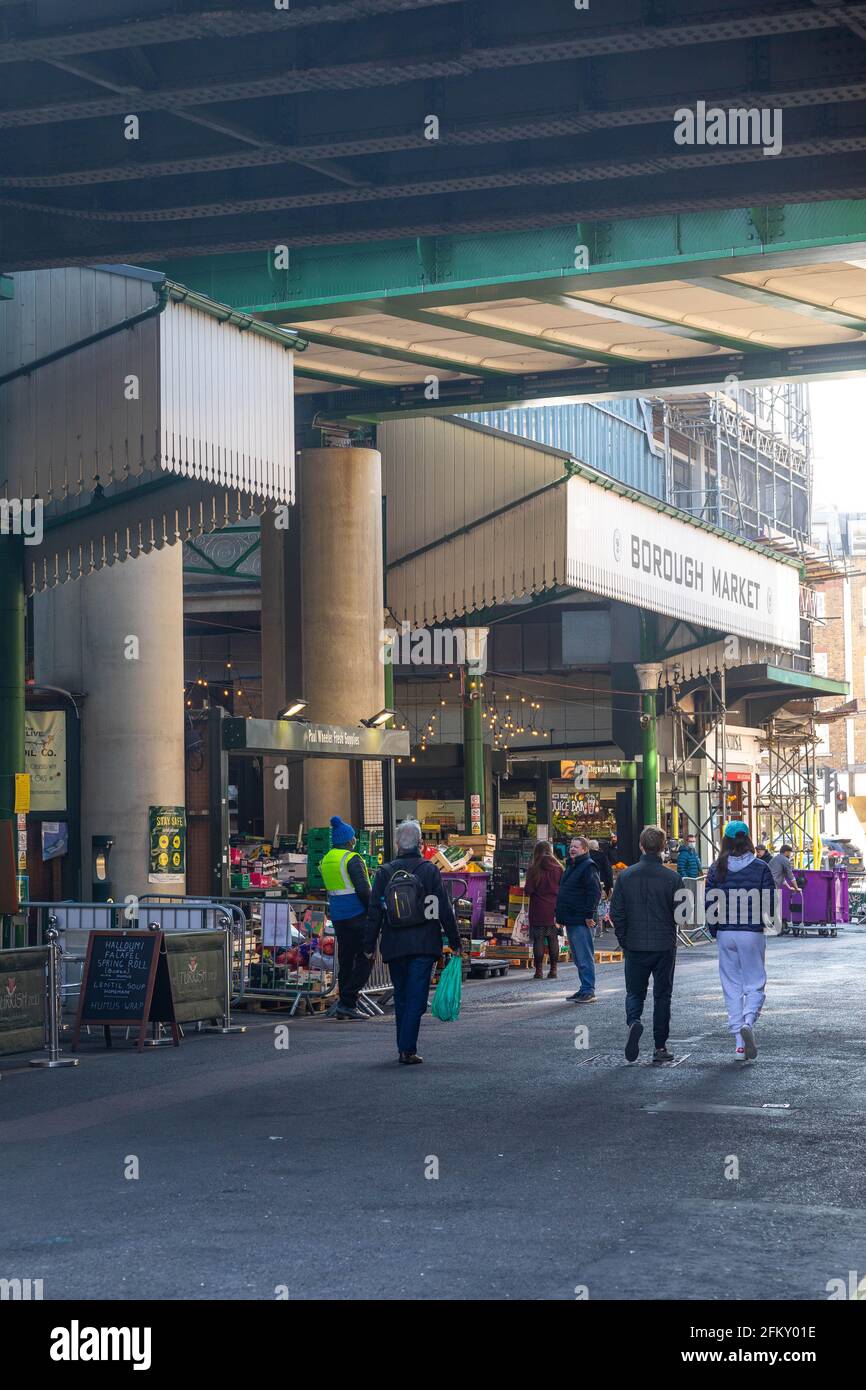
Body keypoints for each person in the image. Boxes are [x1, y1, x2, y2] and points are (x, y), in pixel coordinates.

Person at [364, 818, 461, 1065]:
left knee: (403, 995)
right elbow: (442, 908)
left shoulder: (385, 872)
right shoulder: (428, 870)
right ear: (420, 842)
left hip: (394, 944)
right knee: (416, 997)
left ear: (397, 844)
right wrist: (455, 939)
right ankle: (407, 1048)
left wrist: (368, 946)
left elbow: (375, 912)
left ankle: (404, 1047)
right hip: (424, 944)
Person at [610, 825, 681, 1064]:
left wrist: (624, 939)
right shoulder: (673, 878)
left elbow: (616, 912)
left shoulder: (626, 876)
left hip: (635, 944)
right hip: (664, 945)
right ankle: (660, 1046)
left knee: (634, 992)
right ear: (662, 848)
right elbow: (683, 914)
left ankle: (634, 1022)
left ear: (641, 845)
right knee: (663, 996)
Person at [705, 820, 775, 1062]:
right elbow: (769, 903)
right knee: (754, 982)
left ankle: (739, 1045)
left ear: (725, 841)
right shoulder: (761, 867)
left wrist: (715, 930)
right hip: (752, 932)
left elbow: (710, 904)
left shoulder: (716, 868)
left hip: (726, 932)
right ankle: (748, 1020)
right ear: (748, 840)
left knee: (731, 986)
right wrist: (767, 927)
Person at [320, 816, 372, 1020]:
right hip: (357, 914)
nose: (354, 841)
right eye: (353, 838)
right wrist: (373, 910)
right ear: (349, 840)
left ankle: (345, 1003)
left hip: (339, 916)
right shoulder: (351, 858)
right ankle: (348, 1001)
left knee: (346, 959)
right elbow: (363, 889)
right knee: (367, 957)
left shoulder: (327, 859)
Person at [555, 836, 601, 1003]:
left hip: (581, 919)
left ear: (584, 849)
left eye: (576, 847)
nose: (572, 849)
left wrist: (589, 915)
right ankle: (584, 989)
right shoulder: (573, 865)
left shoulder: (588, 866)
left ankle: (589, 990)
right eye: (571, 846)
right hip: (572, 918)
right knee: (578, 956)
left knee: (584, 956)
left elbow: (594, 892)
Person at [524, 840, 563, 979]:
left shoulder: (534, 868)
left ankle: (539, 971)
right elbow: (563, 888)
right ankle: (553, 970)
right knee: (553, 939)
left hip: (538, 909)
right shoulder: (559, 868)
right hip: (554, 909)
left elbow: (528, 890)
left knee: (538, 940)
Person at [768, 843, 797, 933]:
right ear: (786, 852)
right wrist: (796, 887)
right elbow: (790, 875)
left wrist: (789, 887)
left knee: (772, 906)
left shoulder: (775, 859)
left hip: (767, 884)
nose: (791, 855)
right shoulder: (785, 860)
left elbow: (781, 877)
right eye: (790, 853)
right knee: (774, 907)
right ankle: (777, 928)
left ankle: (776, 927)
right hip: (773, 885)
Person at [587, 838, 613, 939]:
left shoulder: (586, 856)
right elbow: (608, 871)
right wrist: (610, 886)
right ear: (597, 847)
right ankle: (599, 929)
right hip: (601, 884)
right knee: (601, 906)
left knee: (592, 906)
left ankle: (593, 927)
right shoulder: (602, 856)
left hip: (588, 884)